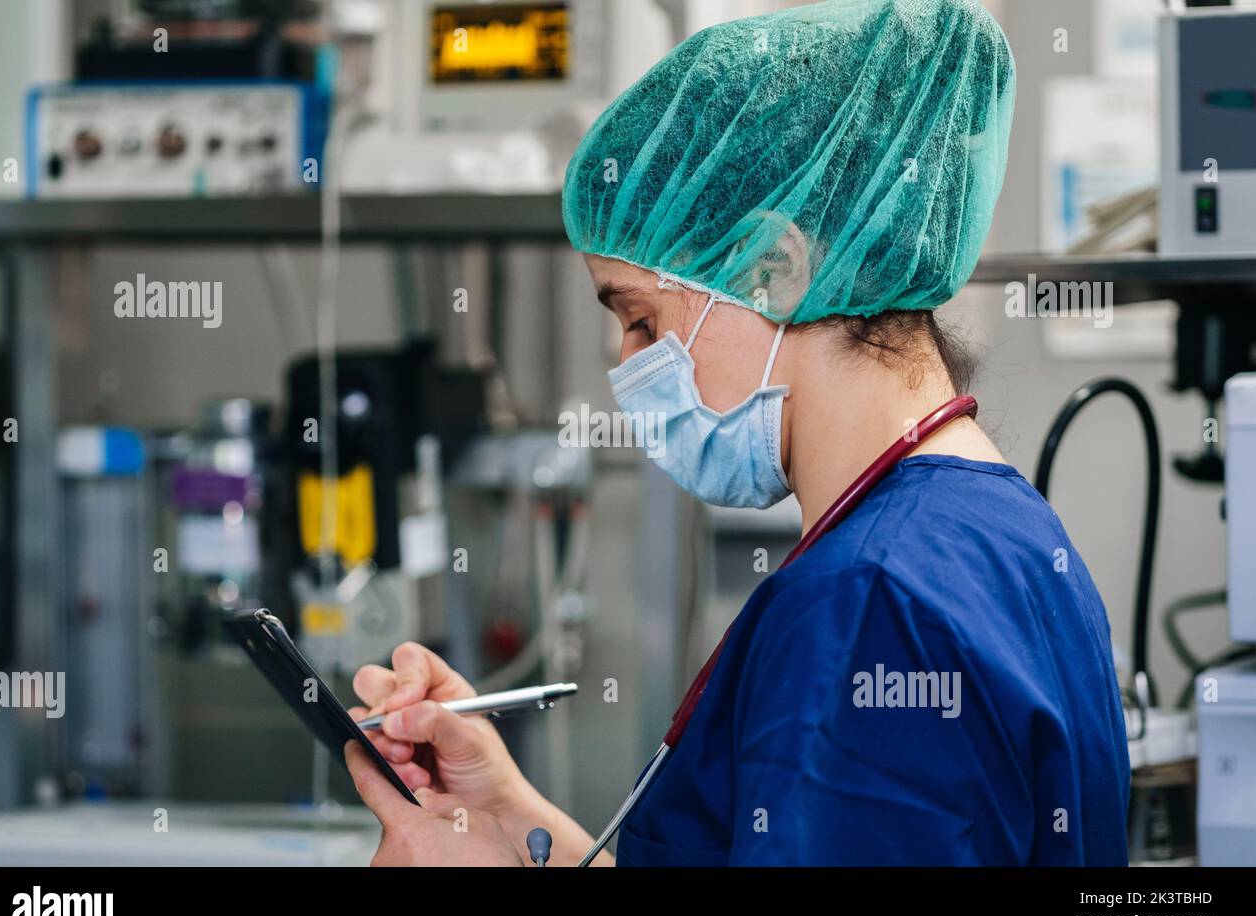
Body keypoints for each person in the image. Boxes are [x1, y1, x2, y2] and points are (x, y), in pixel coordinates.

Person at [343, 0, 1130, 866]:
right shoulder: (1003, 533)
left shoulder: (868, 606)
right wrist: (506, 824)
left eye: (641, 322)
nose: (628, 366)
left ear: (774, 270)